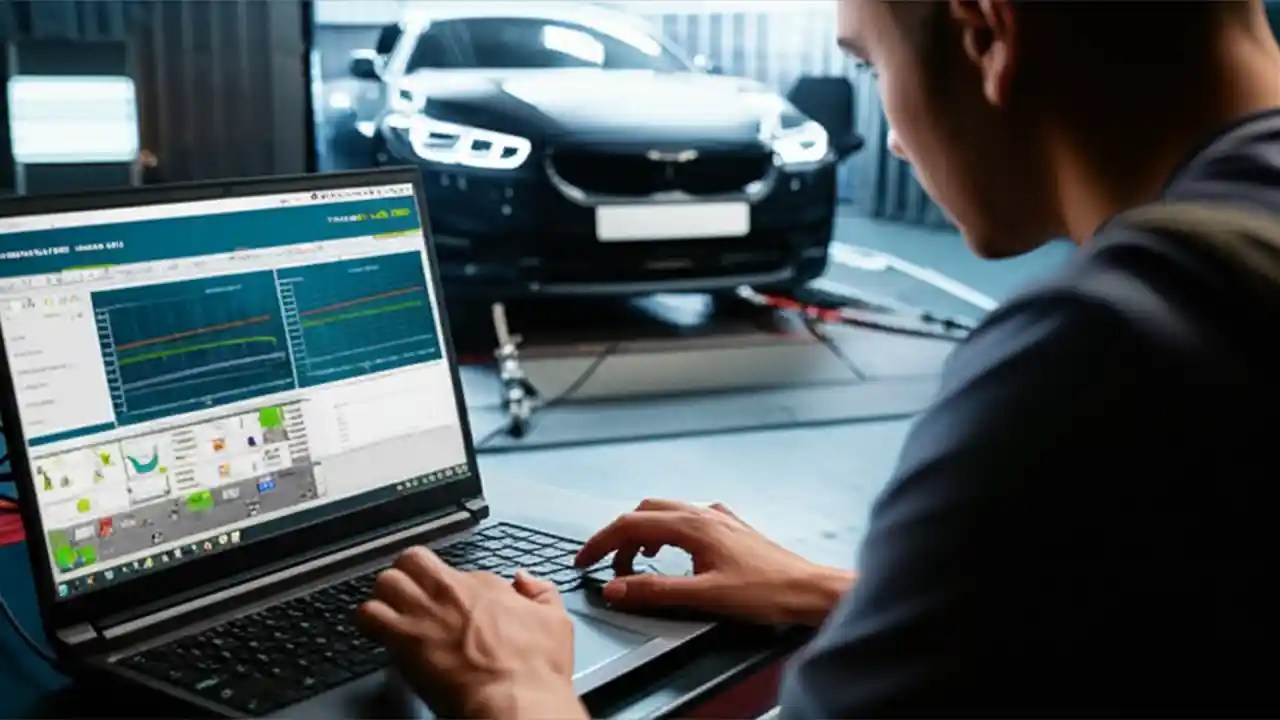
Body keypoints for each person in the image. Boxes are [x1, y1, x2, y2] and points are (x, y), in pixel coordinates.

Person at [354, 0, 1280, 715]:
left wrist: (513, 690)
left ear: (986, 33)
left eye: (868, 63)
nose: (892, 129)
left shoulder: (1106, 357)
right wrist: (863, 597)